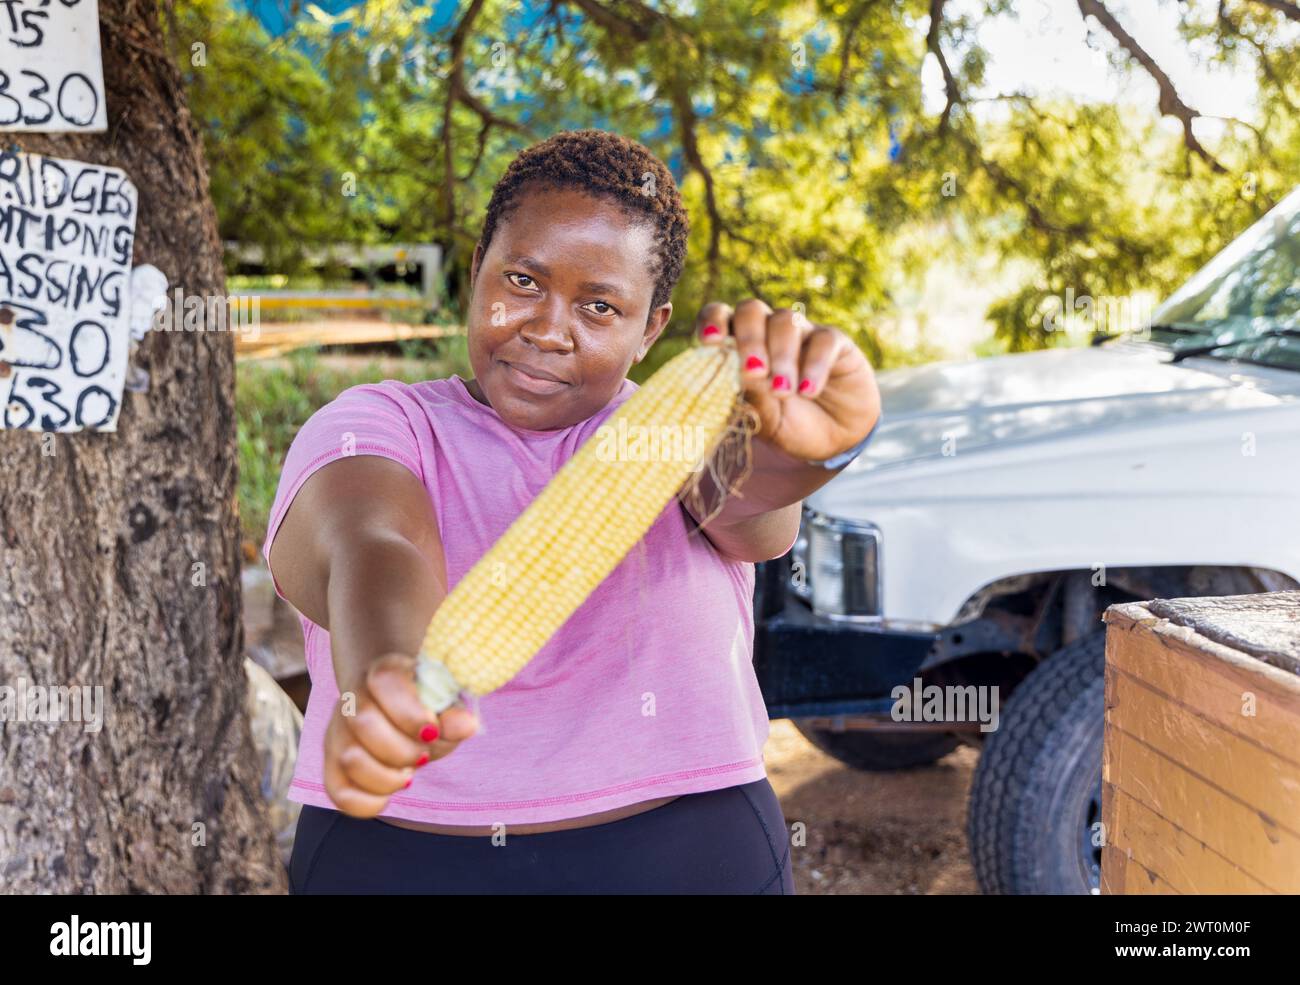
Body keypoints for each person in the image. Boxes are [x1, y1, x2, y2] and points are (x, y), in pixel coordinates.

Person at [264, 129, 881, 894]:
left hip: (687, 858)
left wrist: (808, 449)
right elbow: (375, 542)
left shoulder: (677, 432)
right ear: (478, 271)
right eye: (522, 280)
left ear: (649, 328)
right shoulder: (381, 422)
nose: (548, 329)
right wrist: (392, 670)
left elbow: (750, 498)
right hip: (404, 863)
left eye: (599, 305)